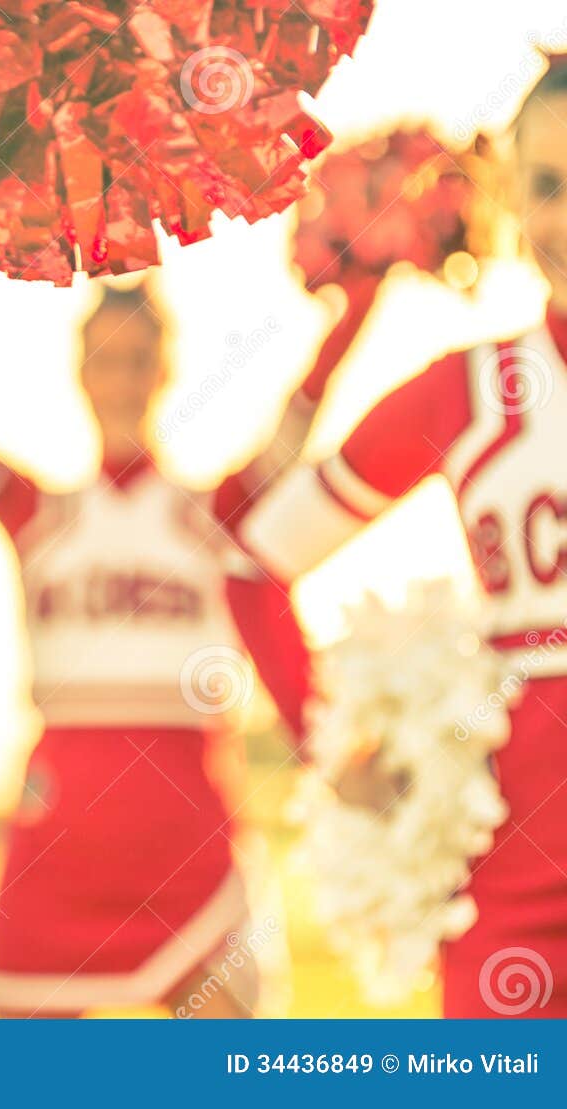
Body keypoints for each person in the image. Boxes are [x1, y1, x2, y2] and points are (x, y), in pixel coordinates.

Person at [0, 283, 315, 1017]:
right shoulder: (39, 514)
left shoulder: (213, 513)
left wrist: (369, 283)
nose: (123, 378)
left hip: (189, 833)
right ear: (80, 369)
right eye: (107, 358)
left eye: (141, 358)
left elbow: (300, 420)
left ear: (165, 370)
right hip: (62, 838)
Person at [234, 52, 567, 1019]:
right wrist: (332, 746)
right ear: (509, 194)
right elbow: (255, 564)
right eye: (548, 186)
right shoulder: (465, 391)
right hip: (512, 899)